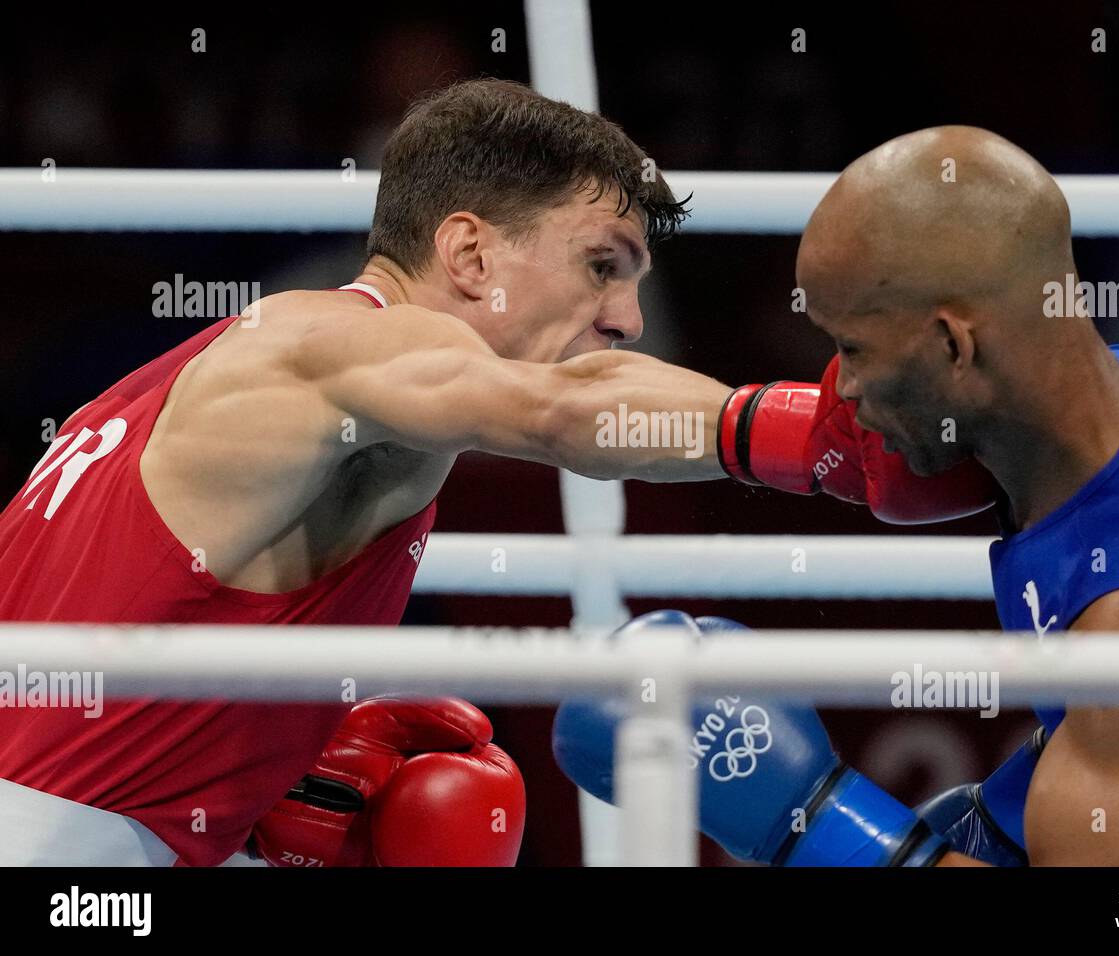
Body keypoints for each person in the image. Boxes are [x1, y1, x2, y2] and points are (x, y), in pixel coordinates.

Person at [0, 79, 983, 866]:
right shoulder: (336, 347)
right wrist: (818, 440)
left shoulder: (205, 378)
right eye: (601, 263)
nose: (626, 316)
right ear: (470, 251)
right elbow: (566, 407)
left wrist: (262, 753)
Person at [558, 127, 1119, 866]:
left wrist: (809, 815)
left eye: (852, 348)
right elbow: (711, 422)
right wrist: (520, 398)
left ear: (953, 345)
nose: (840, 384)